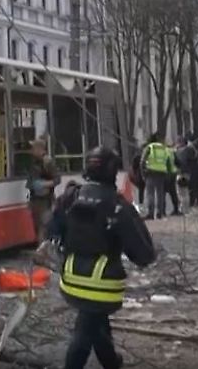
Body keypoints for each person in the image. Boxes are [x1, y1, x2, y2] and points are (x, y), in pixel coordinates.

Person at [58, 146, 157, 369]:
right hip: (102, 284)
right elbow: (143, 255)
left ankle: (111, 362)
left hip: (69, 278)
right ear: (113, 171)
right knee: (85, 331)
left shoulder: (71, 196)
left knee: (94, 321)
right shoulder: (118, 205)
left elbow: (54, 231)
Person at [26, 138, 61, 241]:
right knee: (37, 227)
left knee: (44, 228)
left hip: (45, 201)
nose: (31, 150)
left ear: (40, 149)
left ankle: (43, 252)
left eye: (33, 148)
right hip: (35, 199)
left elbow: (57, 179)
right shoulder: (34, 162)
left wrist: (44, 184)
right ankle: (41, 250)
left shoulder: (47, 162)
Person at [140, 133, 173, 220]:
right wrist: (168, 174)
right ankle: (160, 213)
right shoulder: (164, 148)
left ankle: (150, 214)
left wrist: (143, 173)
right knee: (160, 194)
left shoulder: (150, 147)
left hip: (150, 173)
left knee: (150, 194)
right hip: (161, 173)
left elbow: (142, 161)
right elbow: (169, 162)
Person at [178, 134, 198, 208]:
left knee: (192, 187)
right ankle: (197, 201)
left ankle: (194, 201)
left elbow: (188, 159)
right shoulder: (191, 148)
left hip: (192, 170)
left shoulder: (188, 149)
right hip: (194, 169)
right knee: (195, 186)